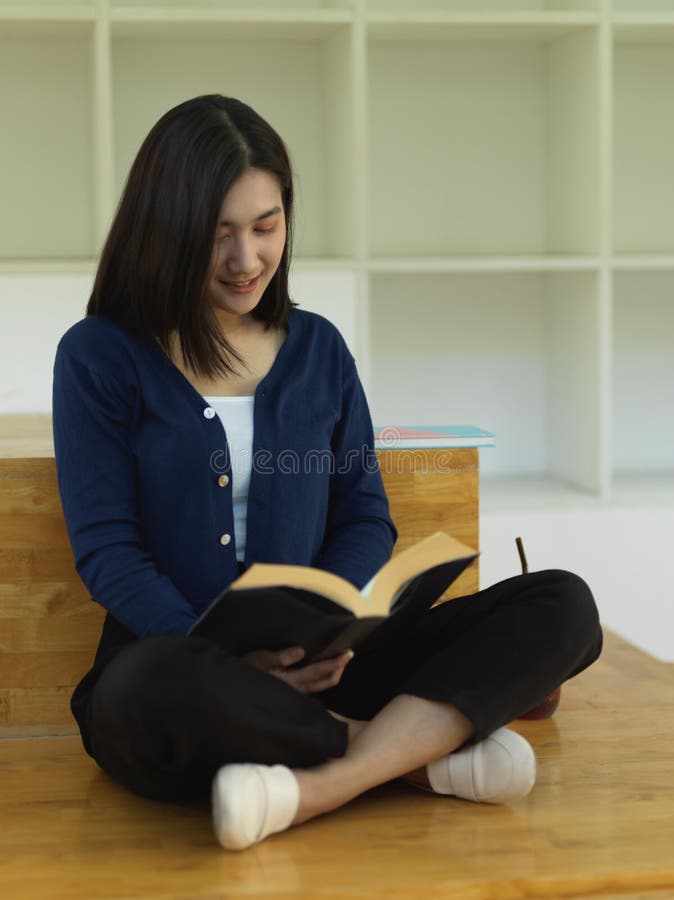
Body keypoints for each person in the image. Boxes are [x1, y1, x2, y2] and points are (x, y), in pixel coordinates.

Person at [52, 94, 603, 852]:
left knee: (563, 604)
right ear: (166, 231)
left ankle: (319, 784)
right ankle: (406, 754)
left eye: (265, 226)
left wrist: (333, 631)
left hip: (330, 664)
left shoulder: (318, 350)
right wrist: (229, 659)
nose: (247, 259)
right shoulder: (100, 356)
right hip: (186, 671)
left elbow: (364, 515)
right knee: (141, 691)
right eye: (217, 235)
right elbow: (108, 551)